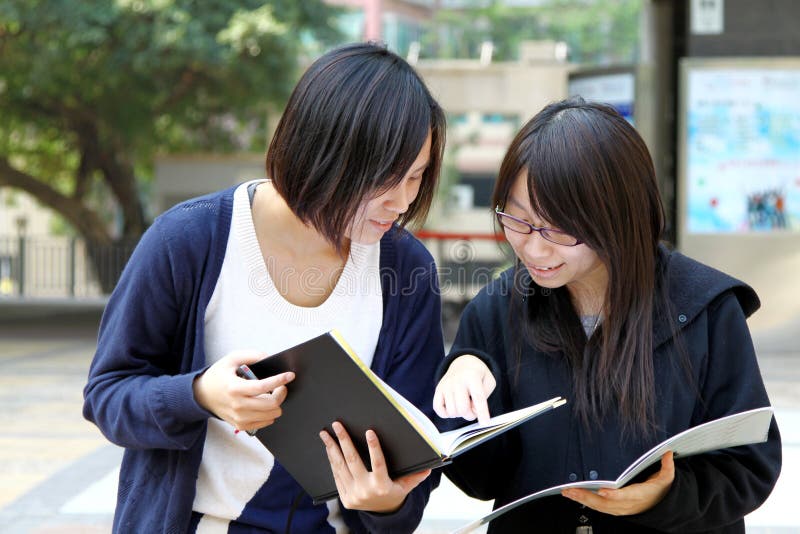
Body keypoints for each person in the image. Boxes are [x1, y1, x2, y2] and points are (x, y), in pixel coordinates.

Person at [83, 42, 446, 533]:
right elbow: (107, 395)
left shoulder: (405, 268)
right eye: (387, 179)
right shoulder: (190, 240)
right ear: (324, 153)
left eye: (417, 179)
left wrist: (386, 503)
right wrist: (199, 394)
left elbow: (419, 453)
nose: (403, 202)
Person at [433, 97, 781, 533]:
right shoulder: (496, 308)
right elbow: (483, 480)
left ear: (619, 216)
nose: (533, 248)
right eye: (516, 220)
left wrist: (665, 497)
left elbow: (751, 464)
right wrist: (458, 393)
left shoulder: (707, 309)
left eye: (558, 229)